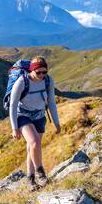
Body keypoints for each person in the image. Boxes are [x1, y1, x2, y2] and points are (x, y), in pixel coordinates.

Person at [9, 56, 60, 189]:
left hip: (39, 116)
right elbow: (13, 105)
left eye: (44, 72)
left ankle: (30, 180)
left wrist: (56, 122)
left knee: (32, 148)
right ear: (32, 70)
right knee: (35, 142)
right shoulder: (22, 81)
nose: (42, 75)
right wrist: (15, 128)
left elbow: (51, 102)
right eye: (38, 72)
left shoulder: (48, 81)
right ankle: (40, 173)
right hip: (23, 115)